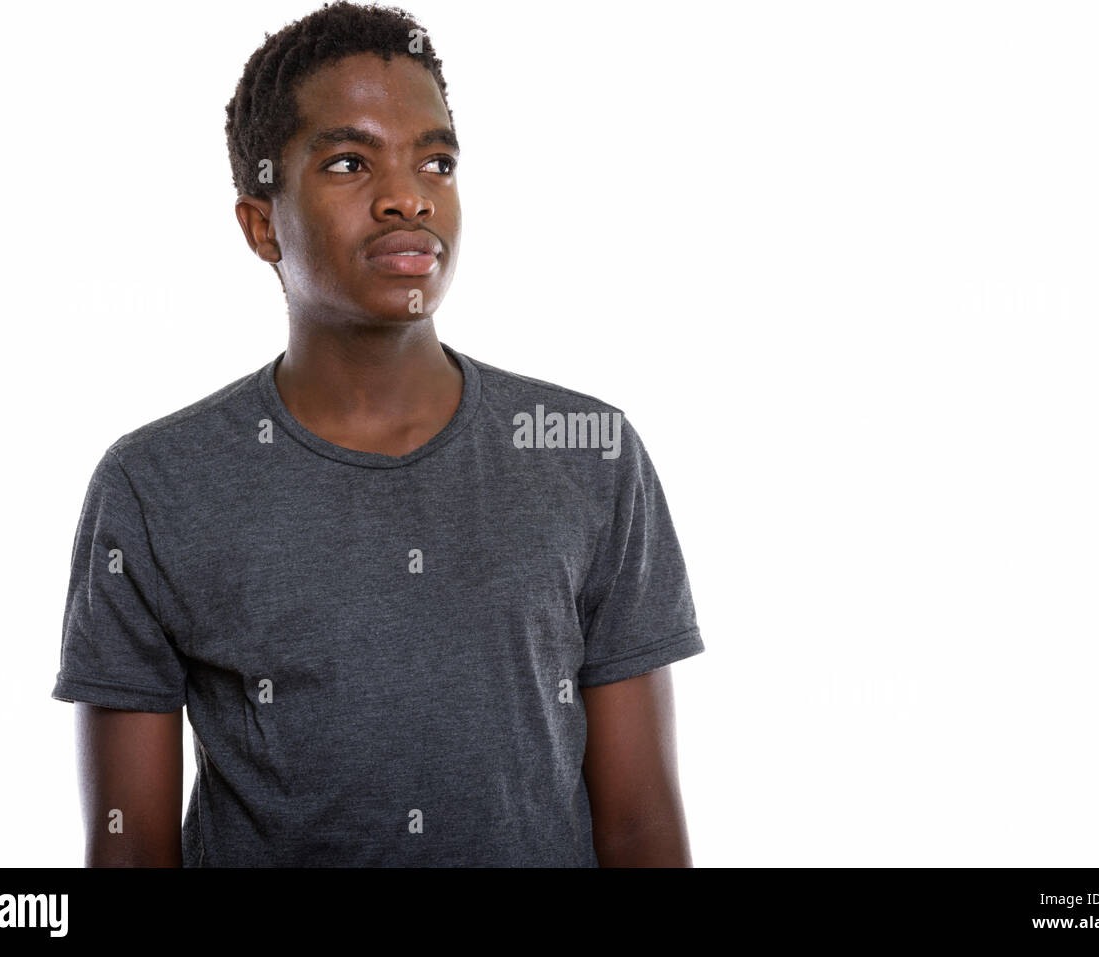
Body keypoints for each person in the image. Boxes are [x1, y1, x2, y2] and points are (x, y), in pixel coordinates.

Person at [51, 1, 704, 867]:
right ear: (258, 223)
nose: (407, 197)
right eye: (351, 161)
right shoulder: (154, 486)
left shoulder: (587, 450)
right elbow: (125, 852)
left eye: (436, 160)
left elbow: (643, 825)